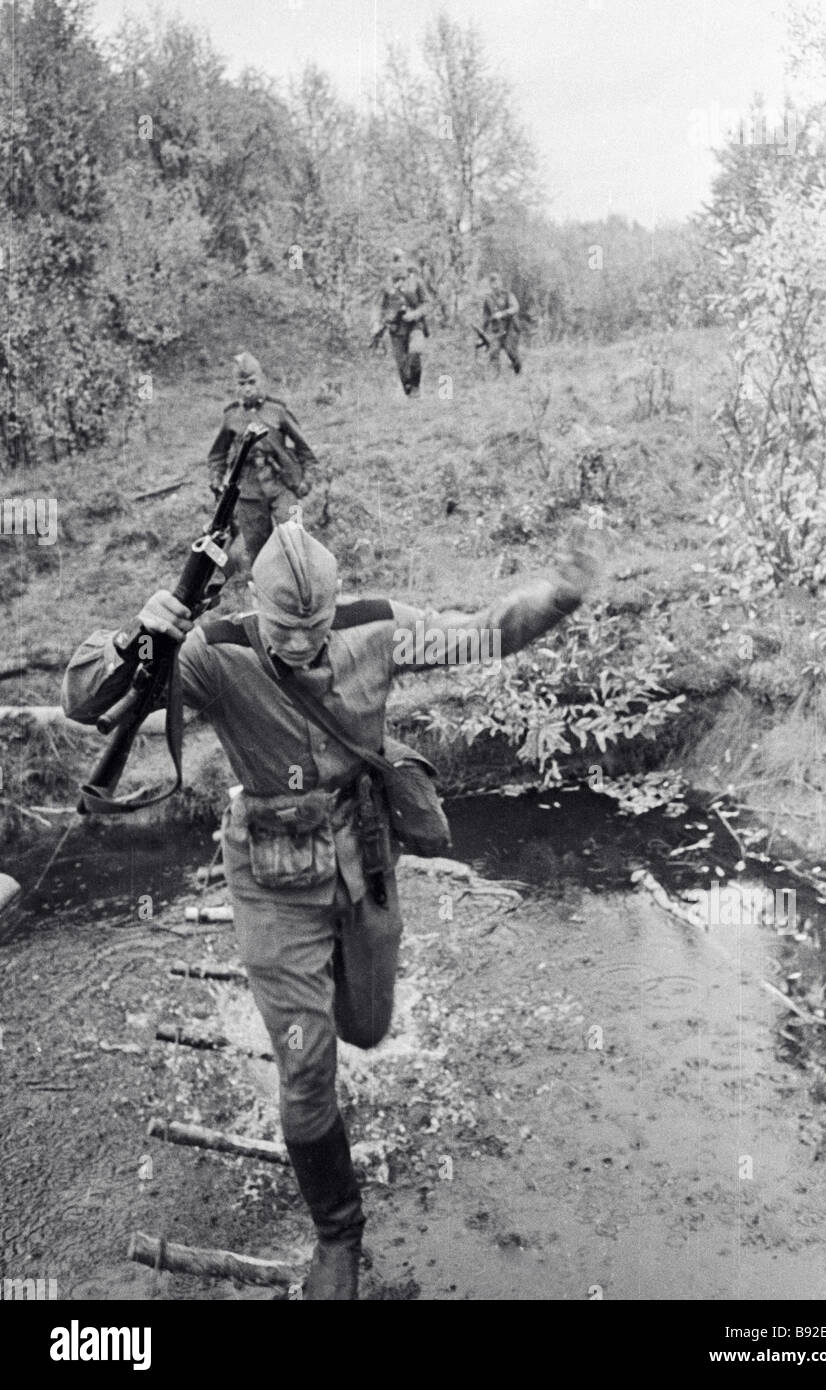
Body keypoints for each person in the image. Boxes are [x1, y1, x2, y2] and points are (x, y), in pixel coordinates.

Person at [61, 517, 602, 1300]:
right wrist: (135, 639)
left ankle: (339, 1025)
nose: (304, 648)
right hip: (271, 877)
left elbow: (483, 632)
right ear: (256, 607)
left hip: (365, 856)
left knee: (368, 1028)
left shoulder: (377, 630)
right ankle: (338, 1233)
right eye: (287, 633)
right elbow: (87, 703)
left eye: (315, 633)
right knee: (309, 1063)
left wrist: (561, 594)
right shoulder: (215, 651)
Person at [208, 352, 318, 564]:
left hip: (282, 484)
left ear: (262, 380)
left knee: (295, 535)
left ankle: (302, 583)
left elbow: (305, 449)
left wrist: (307, 478)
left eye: (251, 382)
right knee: (258, 549)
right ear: (236, 386)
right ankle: (266, 590)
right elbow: (217, 455)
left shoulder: (277, 411)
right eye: (242, 384)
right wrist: (216, 480)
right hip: (248, 490)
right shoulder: (231, 416)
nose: (247, 388)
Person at [378, 251, 428, 396]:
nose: (398, 265)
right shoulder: (386, 285)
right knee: (401, 362)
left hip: (415, 325)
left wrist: (415, 314)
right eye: (395, 262)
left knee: (415, 352)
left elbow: (427, 303)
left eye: (400, 262)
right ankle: (407, 388)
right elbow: (378, 306)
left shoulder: (416, 282)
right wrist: (376, 323)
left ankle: (416, 386)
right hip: (396, 328)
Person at [483, 273, 522, 375]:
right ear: (490, 284)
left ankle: (518, 371)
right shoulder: (488, 298)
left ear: (500, 282)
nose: (494, 284)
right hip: (497, 329)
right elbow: (486, 316)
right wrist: (483, 330)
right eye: (492, 282)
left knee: (511, 351)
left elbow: (515, 308)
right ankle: (494, 376)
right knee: (494, 351)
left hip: (511, 327)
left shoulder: (508, 294)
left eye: (496, 281)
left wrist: (502, 314)